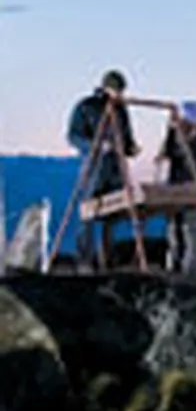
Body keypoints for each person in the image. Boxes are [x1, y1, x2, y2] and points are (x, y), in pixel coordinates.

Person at [67, 70, 140, 269]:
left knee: (113, 212)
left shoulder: (121, 109)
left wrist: (131, 147)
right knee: (88, 212)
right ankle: (84, 260)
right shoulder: (87, 106)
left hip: (116, 167)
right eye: (117, 91)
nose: (120, 95)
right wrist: (96, 145)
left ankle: (107, 258)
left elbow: (127, 137)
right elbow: (73, 136)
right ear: (107, 87)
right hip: (94, 166)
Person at [159, 100, 196, 275]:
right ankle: (173, 274)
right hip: (175, 192)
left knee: (194, 239)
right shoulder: (173, 135)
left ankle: (191, 278)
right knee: (174, 238)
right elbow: (164, 155)